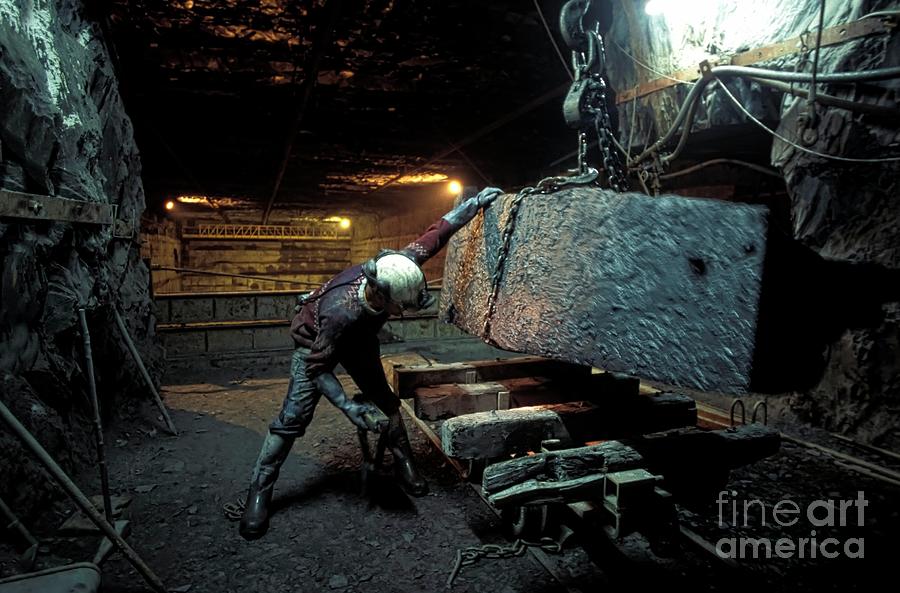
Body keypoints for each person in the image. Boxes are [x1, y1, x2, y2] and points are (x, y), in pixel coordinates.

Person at [239, 186, 504, 540]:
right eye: (399, 308)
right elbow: (319, 368)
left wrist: (471, 205)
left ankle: (404, 464)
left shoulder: (396, 268)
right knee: (291, 421)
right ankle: (260, 490)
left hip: (359, 340)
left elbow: (434, 235)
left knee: (386, 401)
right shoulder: (340, 312)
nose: (400, 314)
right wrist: (347, 406)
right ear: (380, 294)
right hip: (314, 345)